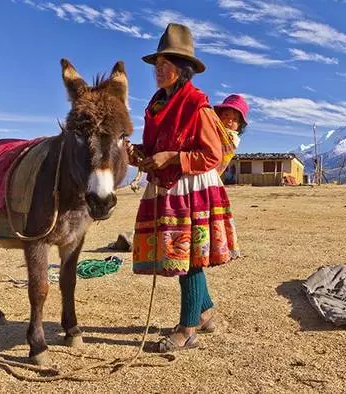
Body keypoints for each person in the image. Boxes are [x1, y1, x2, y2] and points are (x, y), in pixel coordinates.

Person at [126, 23, 239, 353]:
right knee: (185, 256)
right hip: (169, 188)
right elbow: (157, 147)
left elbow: (211, 155)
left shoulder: (196, 106)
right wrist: (141, 155)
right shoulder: (159, 105)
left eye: (166, 65)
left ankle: (187, 328)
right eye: (157, 65)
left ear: (183, 68)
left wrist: (171, 157)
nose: (159, 71)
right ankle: (203, 313)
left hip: (192, 189)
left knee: (188, 258)